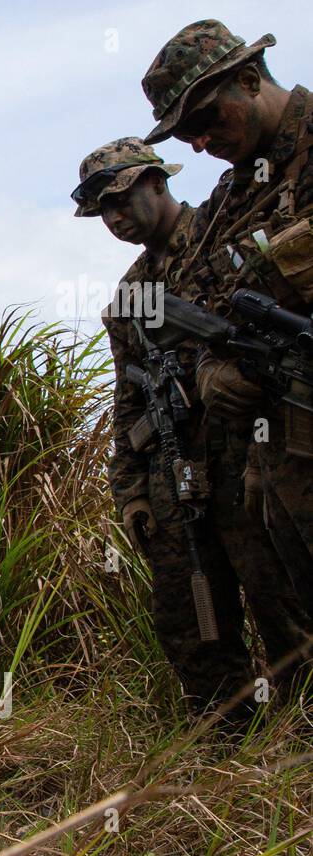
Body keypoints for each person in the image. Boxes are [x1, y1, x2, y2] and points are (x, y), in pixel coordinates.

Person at [79, 136, 311, 716]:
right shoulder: (132, 293)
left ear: (157, 181)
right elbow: (129, 397)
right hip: (176, 471)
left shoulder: (222, 234)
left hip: (249, 452)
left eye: (121, 200)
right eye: (102, 211)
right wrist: (131, 490)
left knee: (281, 599)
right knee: (190, 619)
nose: (114, 218)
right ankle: (227, 744)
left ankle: (302, 732)